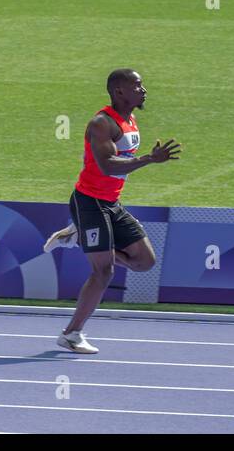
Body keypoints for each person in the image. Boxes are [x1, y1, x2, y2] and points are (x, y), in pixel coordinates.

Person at [56, 69, 179, 354]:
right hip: (89, 202)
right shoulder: (102, 123)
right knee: (104, 271)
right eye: (137, 85)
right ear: (119, 91)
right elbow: (107, 166)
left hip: (111, 203)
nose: (144, 89)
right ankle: (71, 333)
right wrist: (148, 159)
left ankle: (81, 238)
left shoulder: (130, 119)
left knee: (144, 261)